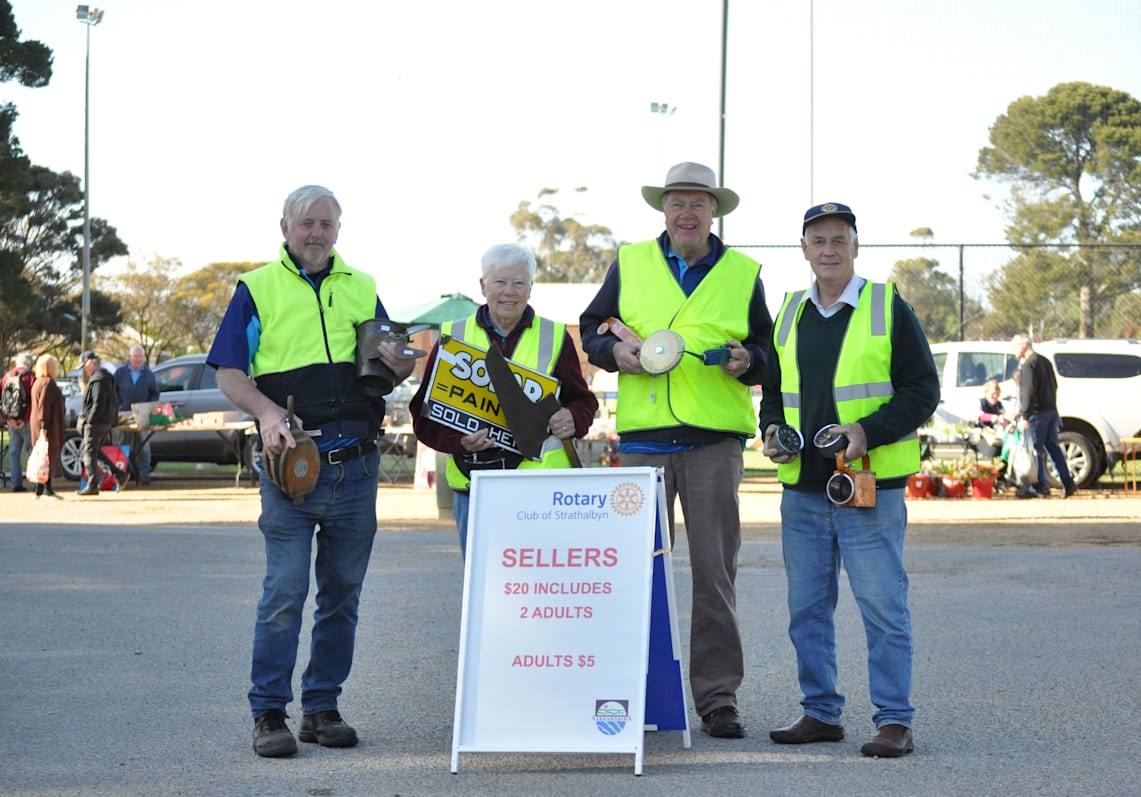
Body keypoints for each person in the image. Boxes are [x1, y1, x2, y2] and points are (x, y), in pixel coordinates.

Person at [207, 185, 416, 758]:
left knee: (342, 597)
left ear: (338, 230)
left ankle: (321, 706)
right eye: (308, 224)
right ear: (285, 227)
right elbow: (228, 371)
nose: (317, 233)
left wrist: (397, 365)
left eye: (327, 224)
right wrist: (269, 412)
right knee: (285, 591)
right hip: (291, 468)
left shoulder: (364, 287)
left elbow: (380, 369)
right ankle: (268, 712)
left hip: (358, 468)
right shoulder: (257, 287)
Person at [579, 162, 773, 740]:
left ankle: (718, 700)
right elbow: (593, 329)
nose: (686, 214)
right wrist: (616, 356)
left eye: (698, 203)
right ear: (663, 210)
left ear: (715, 211)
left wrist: (747, 362)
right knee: (635, 576)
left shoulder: (743, 273)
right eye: (676, 203)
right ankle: (631, 693)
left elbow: (766, 350)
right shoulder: (631, 261)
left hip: (714, 445)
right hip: (642, 446)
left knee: (715, 577)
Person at [759, 202, 940, 758]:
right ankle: (821, 712)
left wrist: (867, 430)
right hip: (804, 490)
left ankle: (894, 720)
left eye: (840, 239)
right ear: (805, 249)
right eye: (819, 241)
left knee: (883, 606)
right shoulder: (789, 312)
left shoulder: (888, 306)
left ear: (856, 246)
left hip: (869, 488)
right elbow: (773, 392)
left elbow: (922, 390)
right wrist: (770, 431)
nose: (829, 250)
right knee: (806, 609)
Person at [409, 243, 597, 556]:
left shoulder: (554, 336)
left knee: (541, 581)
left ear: (531, 288)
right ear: (483, 286)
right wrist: (460, 441)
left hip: (540, 488)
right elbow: (423, 415)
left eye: (519, 283)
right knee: (483, 585)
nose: (509, 292)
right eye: (499, 282)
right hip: (474, 486)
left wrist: (573, 418)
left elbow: (583, 402)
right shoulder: (452, 335)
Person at [1012, 333, 1077, 499]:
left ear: (1024, 345)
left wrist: (1025, 415)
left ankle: (1040, 486)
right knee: (1053, 447)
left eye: (1015, 346)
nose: (1014, 350)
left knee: (1036, 450)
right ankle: (1068, 482)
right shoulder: (1045, 362)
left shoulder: (1028, 365)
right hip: (1050, 411)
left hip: (1037, 413)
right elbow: (1054, 385)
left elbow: (1028, 391)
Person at [77, 351, 124, 496]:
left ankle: (92, 485)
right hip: (104, 421)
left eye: (84, 365)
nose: (84, 369)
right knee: (95, 452)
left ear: (91, 362)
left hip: (96, 422)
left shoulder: (98, 379)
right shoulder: (105, 378)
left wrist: (90, 420)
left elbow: (98, 402)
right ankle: (119, 474)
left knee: (89, 453)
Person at [115, 344, 160, 485]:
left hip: (143, 414)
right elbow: (113, 391)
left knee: (144, 445)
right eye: (136, 356)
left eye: (141, 357)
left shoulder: (149, 374)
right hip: (124, 414)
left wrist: (149, 406)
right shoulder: (120, 373)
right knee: (123, 444)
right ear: (130, 357)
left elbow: (155, 393)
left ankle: (145, 474)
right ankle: (124, 474)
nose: (138, 359)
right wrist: (119, 406)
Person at [28, 354, 65, 500]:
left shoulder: (37, 382)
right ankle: (47, 490)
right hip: (47, 424)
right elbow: (44, 405)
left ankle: (39, 489)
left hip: (37, 423)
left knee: (41, 456)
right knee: (47, 456)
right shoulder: (49, 383)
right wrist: (44, 425)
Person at [1, 353, 36, 492]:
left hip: (11, 421)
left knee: (14, 453)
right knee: (32, 452)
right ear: (29, 364)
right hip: (26, 422)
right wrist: (25, 419)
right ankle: (35, 483)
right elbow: (34, 401)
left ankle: (16, 484)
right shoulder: (31, 376)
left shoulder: (6, 377)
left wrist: (7, 419)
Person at [975, 378, 1011, 460]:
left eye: (997, 394)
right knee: (994, 450)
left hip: (997, 436)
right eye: (993, 394)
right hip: (983, 435)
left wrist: (1005, 422)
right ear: (986, 393)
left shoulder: (999, 405)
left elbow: (1004, 419)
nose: (995, 397)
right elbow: (978, 416)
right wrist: (992, 417)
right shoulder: (980, 403)